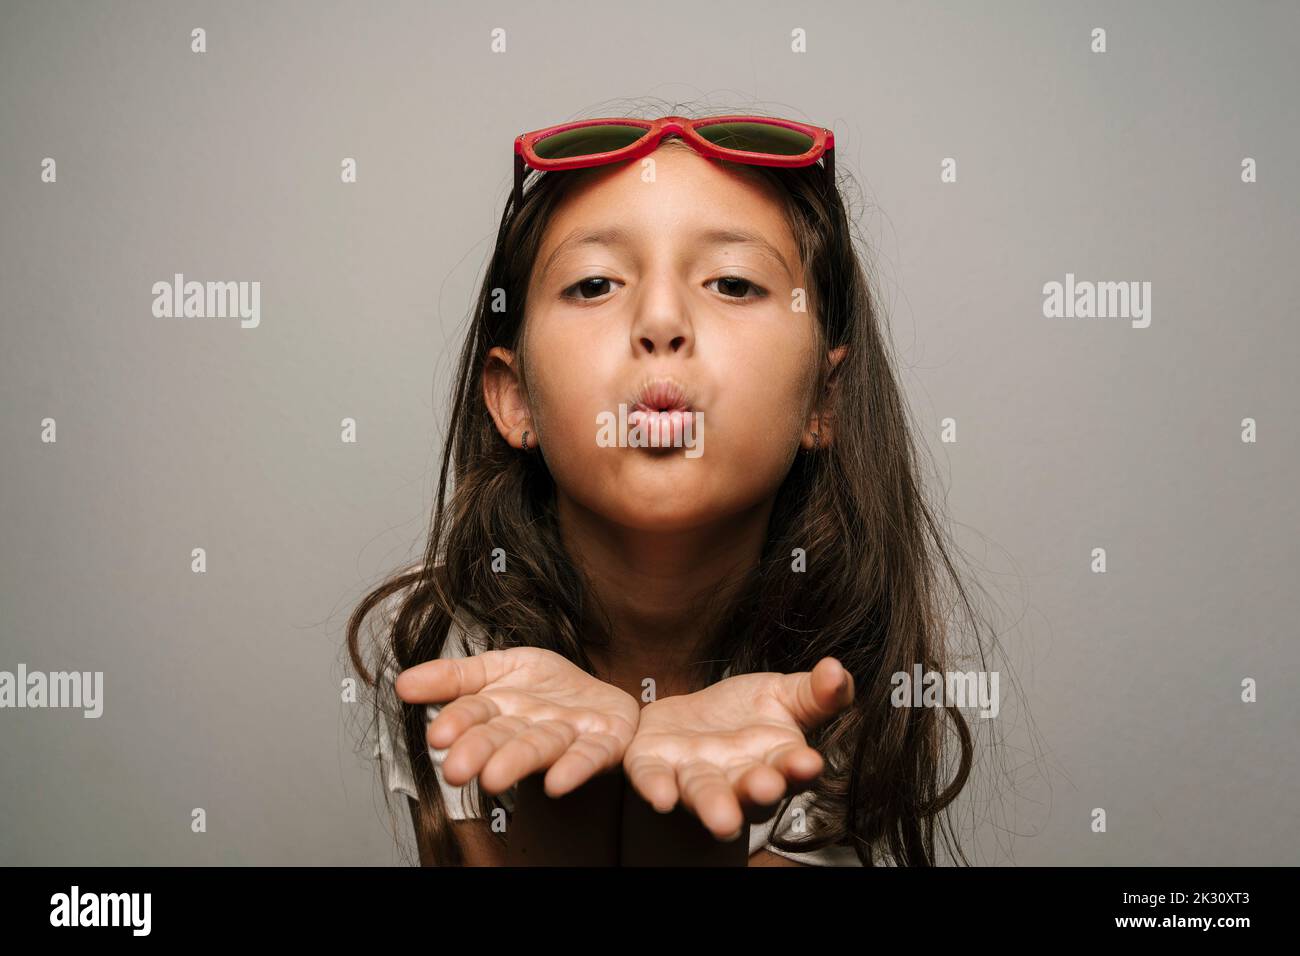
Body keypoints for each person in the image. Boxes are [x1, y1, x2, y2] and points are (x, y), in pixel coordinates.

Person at [346, 108, 989, 866]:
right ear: (514, 399)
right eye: (593, 284)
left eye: (732, 282)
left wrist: (683, 824)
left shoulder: (839, 681)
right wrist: (563, 797)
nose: (659, 320)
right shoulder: (438, 638)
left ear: (826, 399)